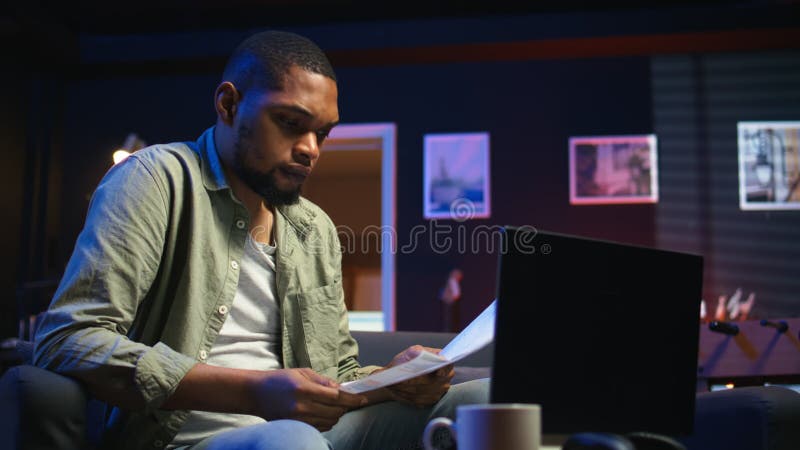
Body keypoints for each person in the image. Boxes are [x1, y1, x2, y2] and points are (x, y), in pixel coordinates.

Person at [33, 30, 488, 450]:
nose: (311, 148)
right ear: (229, 105)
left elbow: (338, 375)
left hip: (310, 434)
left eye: (322, 133)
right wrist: (254, 390)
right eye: (291, 123)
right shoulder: (154, 181)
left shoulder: (315, 229)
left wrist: (394, 378)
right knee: (290, 440)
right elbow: (69, 339)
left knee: (484, 401)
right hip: (183, 440)